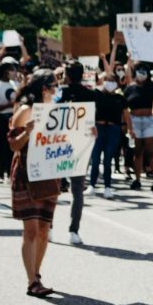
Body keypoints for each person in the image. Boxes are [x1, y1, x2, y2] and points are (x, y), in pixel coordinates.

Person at [7, 69, 60, 297]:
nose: (56, 90)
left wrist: (89, 133)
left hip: (49, 176)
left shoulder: (56, 111)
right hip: (27, 175)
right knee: (30, 230)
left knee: (43, 229)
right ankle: (31, 282)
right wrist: (27, 132)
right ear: (43, 89)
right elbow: (13, 145)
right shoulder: (25, 111)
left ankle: (36, 274)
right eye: (54, 86)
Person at [56, 61, 96, 246]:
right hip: (80, 145)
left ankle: (48, 227)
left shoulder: (60, 93)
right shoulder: (89, 94)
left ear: (68, 75)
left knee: (53, 188)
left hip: (58, 145)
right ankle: (74, 231)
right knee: (77, 190)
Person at [90, 69, 129, 199]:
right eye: (107, 81)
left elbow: (126, 114)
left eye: (112, 81)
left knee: (108, 159)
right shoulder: (96, 94)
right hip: (98, 128)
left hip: (113, 130)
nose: (109, 83)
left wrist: (130, 129)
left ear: (117, 83)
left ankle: (107, 187)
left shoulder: (120, 98)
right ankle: (92, 185)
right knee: (95, 158)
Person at [124, 63, 153, 191]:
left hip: (150, 120)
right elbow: (125, 108)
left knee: (150, 150)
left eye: (144, 71)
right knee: (137, 151)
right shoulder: (130, 89)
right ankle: (137, 179)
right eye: (139, 70)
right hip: (135, 121)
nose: (141, 73)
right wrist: (129, 126)